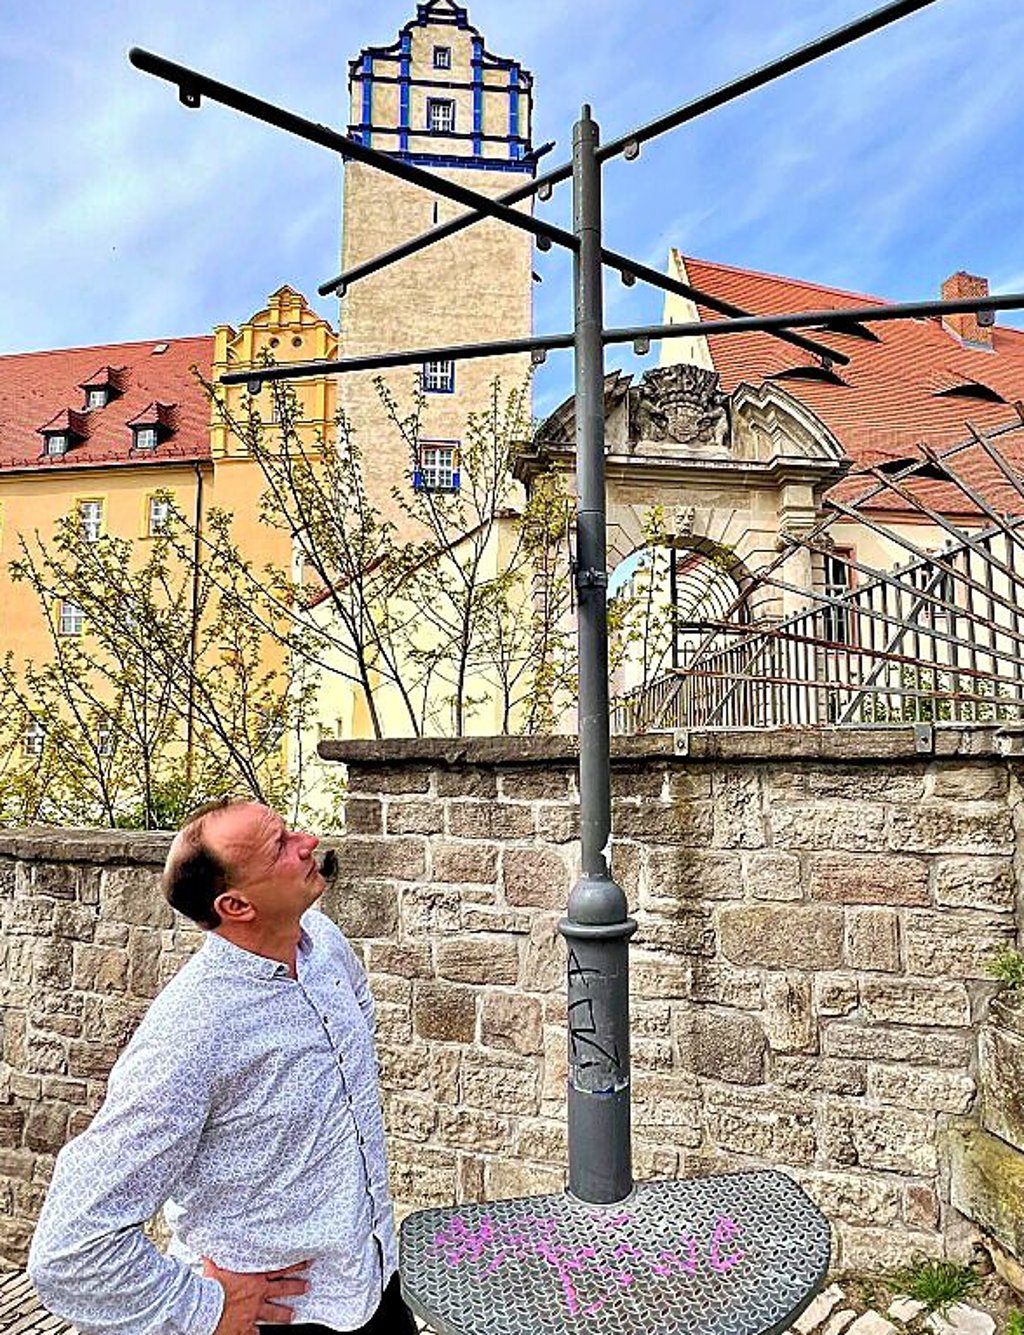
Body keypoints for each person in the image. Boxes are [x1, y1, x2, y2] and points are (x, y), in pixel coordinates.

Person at [28, 798, 417, 1335]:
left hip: (372, 1284)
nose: (308, 842)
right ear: (235, 906)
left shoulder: (323, 943)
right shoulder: (192, 1030)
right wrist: (201, 1309)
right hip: (273, 1318)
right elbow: (69, 1251)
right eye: (280, 846)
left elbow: (357, 1021)